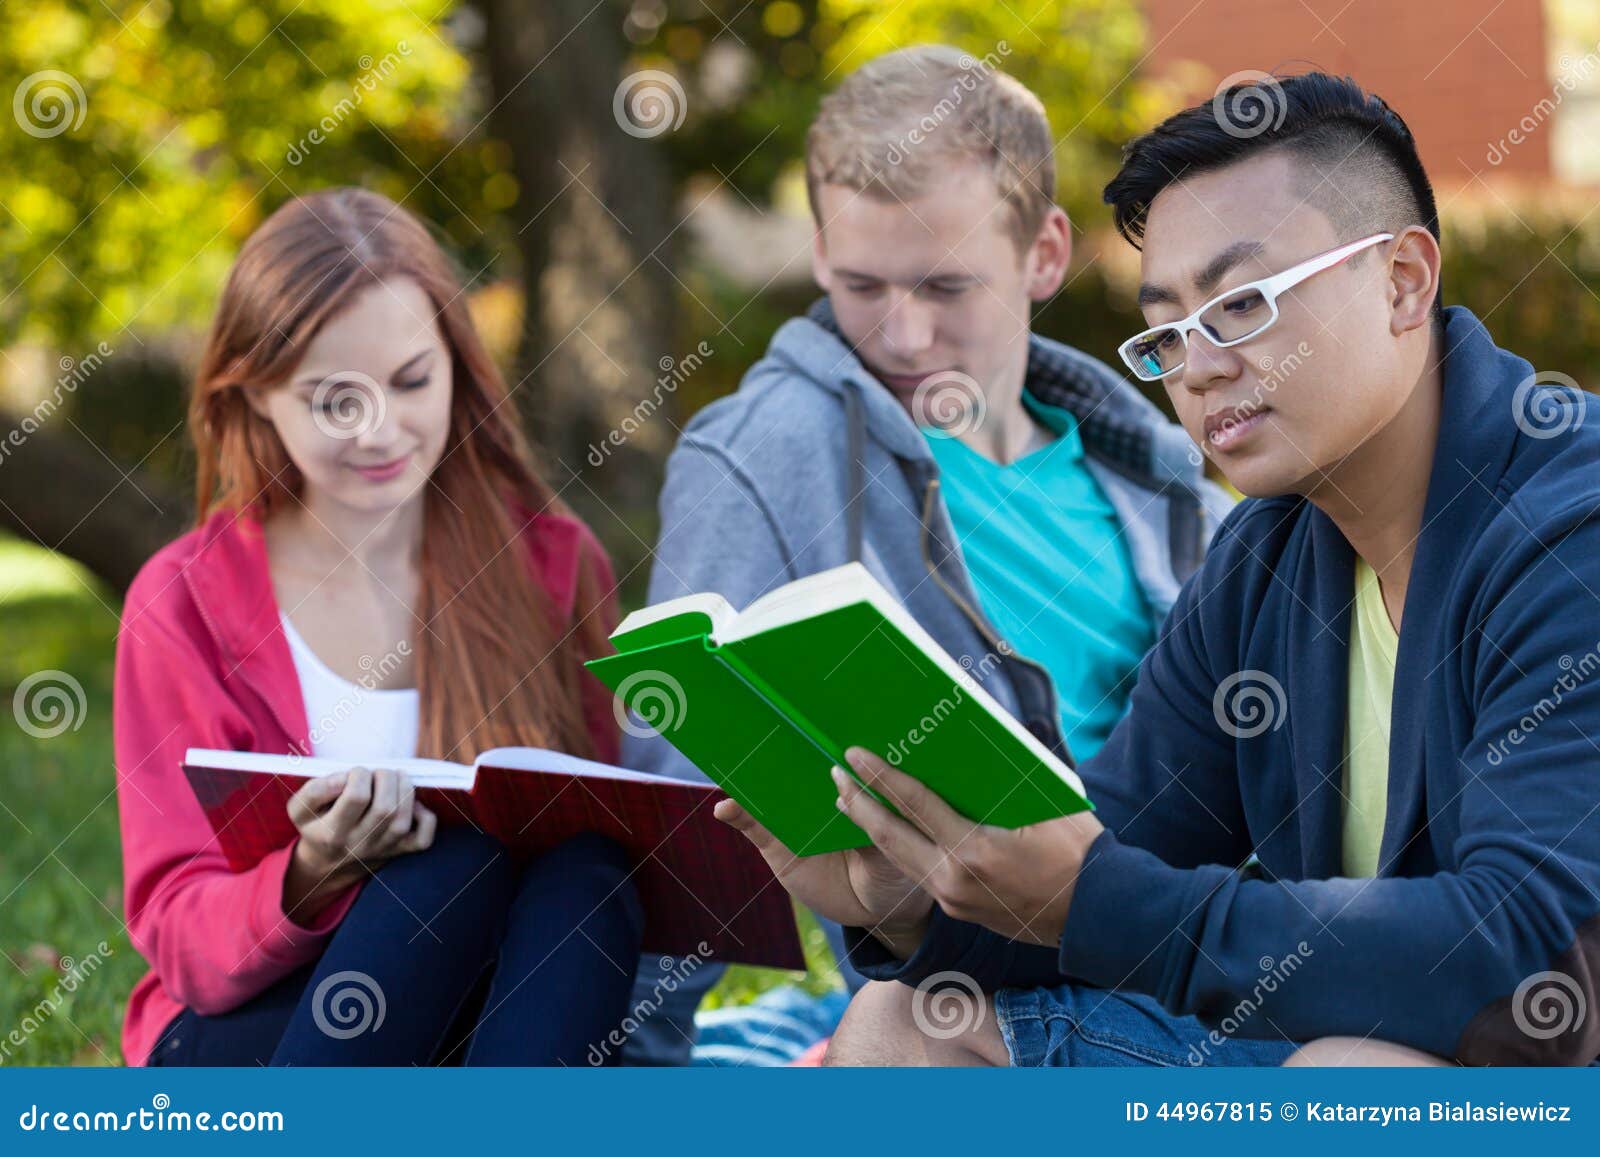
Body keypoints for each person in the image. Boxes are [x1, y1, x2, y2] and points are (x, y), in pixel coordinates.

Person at [722, 72, 1600, 1068]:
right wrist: (915, 904)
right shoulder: (1263, 559)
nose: (1200, 367)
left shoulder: (1570, 531)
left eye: (1242, 304)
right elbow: (1111, 858)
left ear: (1401, 280)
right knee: (902, 1028)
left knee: (1348, 1076)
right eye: (1168, 332)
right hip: (1352, 1064)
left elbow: (1532, 966)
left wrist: (1098, 896)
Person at [622, 44, 1228, 1065]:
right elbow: (679, 812)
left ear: (1044, 252)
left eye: (946, 285)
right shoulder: (771, 454)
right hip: (974, 1002)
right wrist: (630, 1079)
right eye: (863, 285)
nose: (903, 336)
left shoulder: (1164, 478)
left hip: (1208, 964)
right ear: (821, 253)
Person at [115, 188, 642, 1067]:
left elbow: (594, 836)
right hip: (260, 1026)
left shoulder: (555, 563)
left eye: (411, 381)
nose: (383, 431)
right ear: (257, 395)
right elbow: (181, 935)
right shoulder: (180, 602)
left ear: (456, 366)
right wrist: (310, 873)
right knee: (446, 866)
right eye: (335, 401)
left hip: (476, 1027)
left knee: (590, 873)